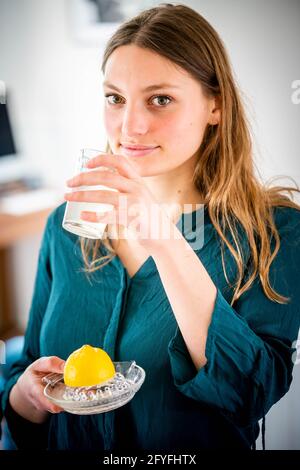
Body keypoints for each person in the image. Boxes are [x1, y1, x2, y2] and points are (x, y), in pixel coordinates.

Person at [1, 3, 300, 451]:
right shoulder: (65, 229)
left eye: (160, 99)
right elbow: (23, 381)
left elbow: (247, 392)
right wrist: (26, 395)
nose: (130, 125)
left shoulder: (275, 233)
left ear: (215, 104)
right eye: (115, 98)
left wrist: (163, 238)